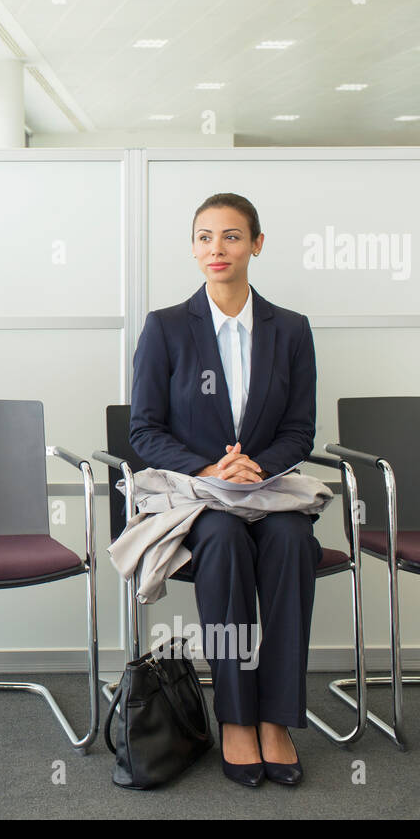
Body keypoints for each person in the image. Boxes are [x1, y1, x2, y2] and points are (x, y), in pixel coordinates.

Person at [129, 192, 321, 788]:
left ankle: (277, 717)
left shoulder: (289, 329)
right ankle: (237, 716)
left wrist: (254, 468)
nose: (217, 248)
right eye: (205, 237)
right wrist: (212, 470)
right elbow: (145, 430)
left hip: (267, 492)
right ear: (193, 248)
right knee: (223, 539)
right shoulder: (165, 328)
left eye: (232, 236)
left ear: (256, 245)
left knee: (292, 543)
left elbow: (299, 429)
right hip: (197, 499)